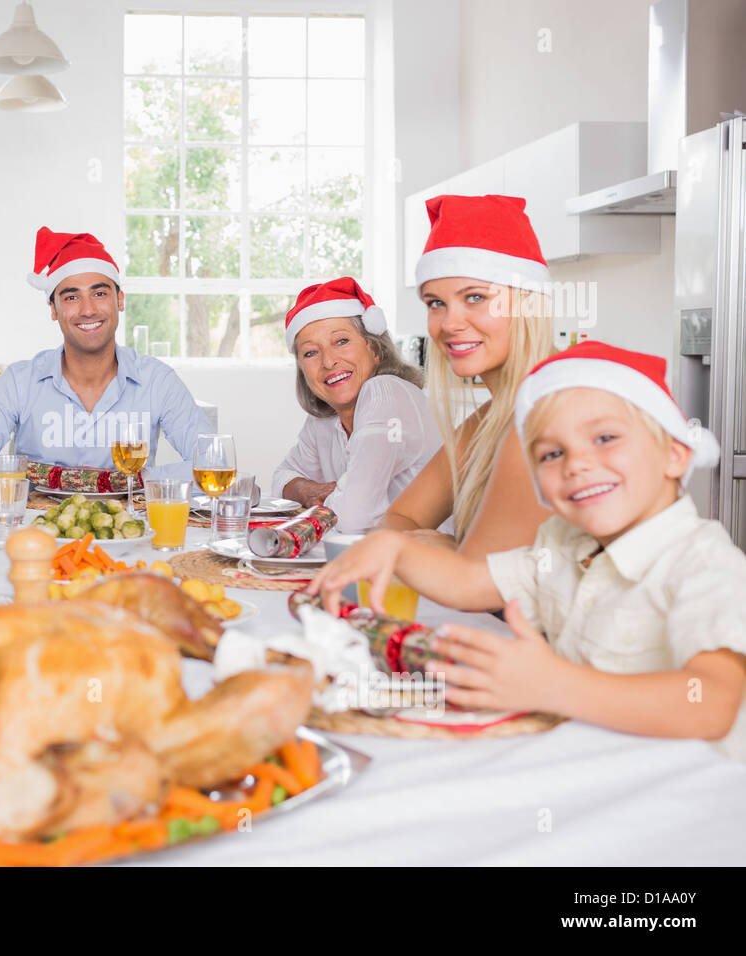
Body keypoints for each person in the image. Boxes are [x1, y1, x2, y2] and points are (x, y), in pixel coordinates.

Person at [307, 342, 746, 760]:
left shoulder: (703, 563)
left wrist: (555, 685)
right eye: (553, 453)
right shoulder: (562, 543)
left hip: (687, 796)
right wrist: (393, 548)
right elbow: (469, 584)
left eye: (606, 438)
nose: (576, 464)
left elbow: (712, 702)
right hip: (598, 764)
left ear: (675, 454)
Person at [0, 226, 209, 491]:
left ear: (119, 299)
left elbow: (214, 462)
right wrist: (42, 476)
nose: (88, 310)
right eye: (72, 297)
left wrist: (126, 481)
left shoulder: (157, 381)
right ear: (54, 309)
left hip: (129, 530)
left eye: (99, 293)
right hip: (38, 529)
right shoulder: (19, 382)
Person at [377, 194, 556, 557]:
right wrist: (458, 552)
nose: (450, 323)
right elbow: (398, 517)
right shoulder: (487, 420)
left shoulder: (557, 408)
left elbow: (491, 572)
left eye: (475, 297)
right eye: (435, 303)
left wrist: (456, 552)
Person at [271, 277, 441, 533]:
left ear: (374, 349)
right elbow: (281, 479)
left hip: (429, 563)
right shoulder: (324, 420)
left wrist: (326, 500)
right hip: (374, 561)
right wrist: (309, 490)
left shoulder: (385, 391)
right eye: (310, 353)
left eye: (341, 341)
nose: (328, 361)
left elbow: (353, 518)